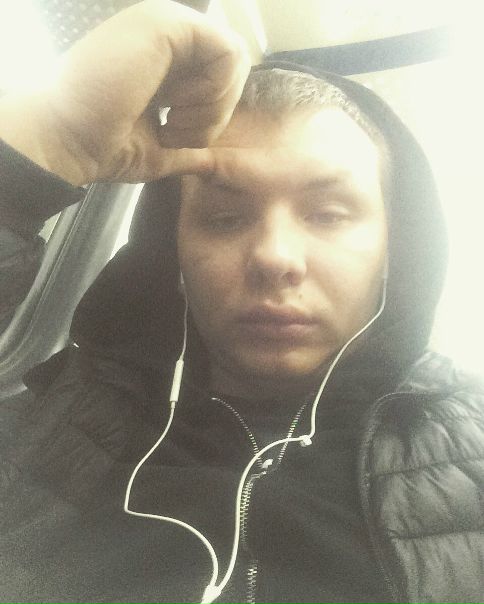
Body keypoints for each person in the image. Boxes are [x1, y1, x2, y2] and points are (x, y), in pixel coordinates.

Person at [0, 1, 483, 603]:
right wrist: (51, 145)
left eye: (328, 214)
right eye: (226, 218)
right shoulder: (39, 432)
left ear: (394, 249)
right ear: (173, 252)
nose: (275, 257)